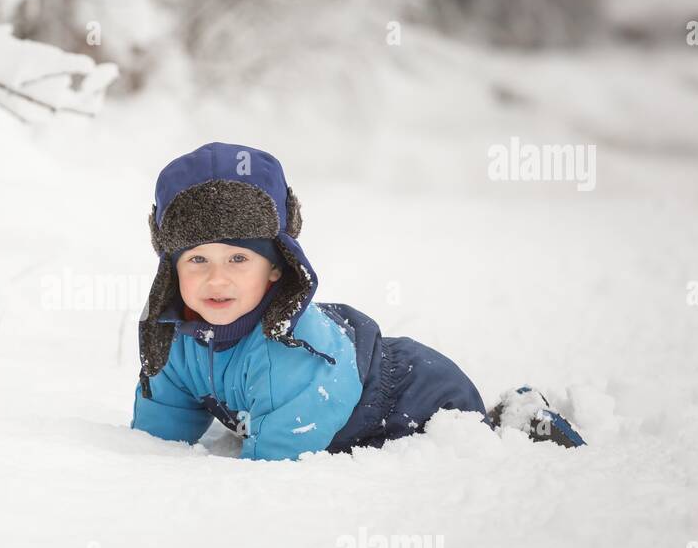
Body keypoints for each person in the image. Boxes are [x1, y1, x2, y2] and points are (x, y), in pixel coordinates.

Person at [130, 141, 586, 460]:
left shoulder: (288, 352)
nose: (216, 278)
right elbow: (161, 423)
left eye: (237, 258)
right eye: (197, 259)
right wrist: (149, 459)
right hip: (357, 398)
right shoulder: (174, 339)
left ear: (276, 266)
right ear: (172, 267)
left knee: (470, 439)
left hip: (412, 397)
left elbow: (274, 471)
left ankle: (523, 421)